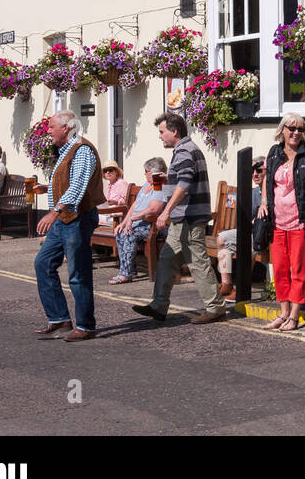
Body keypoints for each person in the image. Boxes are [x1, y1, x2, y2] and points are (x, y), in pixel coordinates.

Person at [132, 113, 225, 325]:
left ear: (174, 131)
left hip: (189, 218)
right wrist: (167, 180)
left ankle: (215, 308)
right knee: (167, 258)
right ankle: (159, 305)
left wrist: (165, 212)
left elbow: (185, 184)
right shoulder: (185, 150)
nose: (160, 136)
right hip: (182, 218)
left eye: (162, 132)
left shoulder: (184, 150)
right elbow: (180, 181)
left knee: (198, 262)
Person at [32, 111, 105, 343]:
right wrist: (48, 188)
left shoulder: (82, 150)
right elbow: (68, 182)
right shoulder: (66, 151)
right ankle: (60, 320)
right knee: (43, 263)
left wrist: (53, 212)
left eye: (52, 127)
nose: (49, 131)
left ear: (66, 128)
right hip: (64, 219)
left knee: (78, 273)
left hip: (76, 218)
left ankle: (86, 325)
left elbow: (78, 187)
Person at [261, 117, 305, 331]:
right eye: (292, 128)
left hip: (302, 221)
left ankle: (295, 315)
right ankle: (283, 313)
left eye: (300, 129)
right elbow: (266, 179)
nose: (296, 132)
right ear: (283, 131)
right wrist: (263, 202)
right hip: (277, 222)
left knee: (298, 269)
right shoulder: (273, 153)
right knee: (280, 269)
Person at [108, 158, 173, 285]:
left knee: (127, 234)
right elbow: (135, 205)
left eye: (146, 171)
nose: (145, 174)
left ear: (154, 172)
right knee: (121, 231)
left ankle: (126, 274)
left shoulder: (159, 183)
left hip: (153, 225)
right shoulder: (147, 184)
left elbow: (154, 209)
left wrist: (132, 219)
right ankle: (129, 270)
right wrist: (124, 222)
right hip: (139, 222)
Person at [217, 158, 265, 299]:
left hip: (266, 235)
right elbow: (247, 218)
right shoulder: (255, 193)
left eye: (259, 170)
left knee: (250, 247)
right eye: (252, 171)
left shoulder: (274, 190)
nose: (255, 174)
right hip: (252, 231)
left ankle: (242, 287)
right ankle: (226, 284)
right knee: (222, 239)